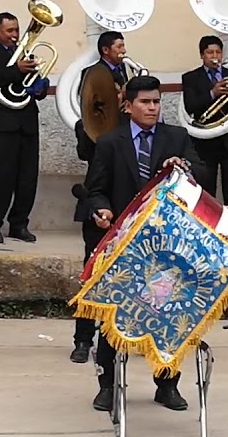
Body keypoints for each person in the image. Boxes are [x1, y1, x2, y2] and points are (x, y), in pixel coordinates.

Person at [83, 75, 199, 414]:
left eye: (156, 102)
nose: (152, 108)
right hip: (124, 241)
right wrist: (100, 208)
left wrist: (184, 169)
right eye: (145, 102)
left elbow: (202, 176)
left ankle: (167, 383)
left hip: (166, 245)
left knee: (168, 313)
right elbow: (96, 188)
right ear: (128, 105)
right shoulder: (109, 141)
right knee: (113, 315)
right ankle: (108, 384)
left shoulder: (177, 137)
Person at [69, 31, 133, 363]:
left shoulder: (142, 130)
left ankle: (130, 336)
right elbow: (85, 153)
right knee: (92, 272)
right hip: (101, 201)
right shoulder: (92, 124)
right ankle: (83, 339)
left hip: (131, 205)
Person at [0, 12, 48, 244]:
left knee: (27, 178)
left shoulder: (26, 54)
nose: (15, 35)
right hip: (1, 123)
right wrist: (17, 70)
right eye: (10, 31)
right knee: (1, 177)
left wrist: (40, 87)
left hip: (26, 122)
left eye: (16, 29)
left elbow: (33, 85)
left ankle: (19, 224)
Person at [180, 35, 228, 214]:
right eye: (210, 52)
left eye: (218, 51)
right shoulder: (190, 78)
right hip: (205, 143)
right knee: (206, 190)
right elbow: (191, 106)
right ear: (202, 55)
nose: (215, 55)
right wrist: (213, 93)